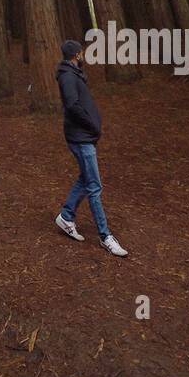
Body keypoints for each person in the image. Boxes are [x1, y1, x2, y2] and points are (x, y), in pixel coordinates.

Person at [55, 39, 128, 257]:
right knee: (94, 186)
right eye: (81, 52)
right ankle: (106, 236)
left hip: (84, 135)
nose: (83, 55)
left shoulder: (74, 74)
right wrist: (91, 123)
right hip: (80, 137)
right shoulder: (68, 76)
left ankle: (66, 216)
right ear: (76, 55)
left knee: (86, 179)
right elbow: (72, 105)